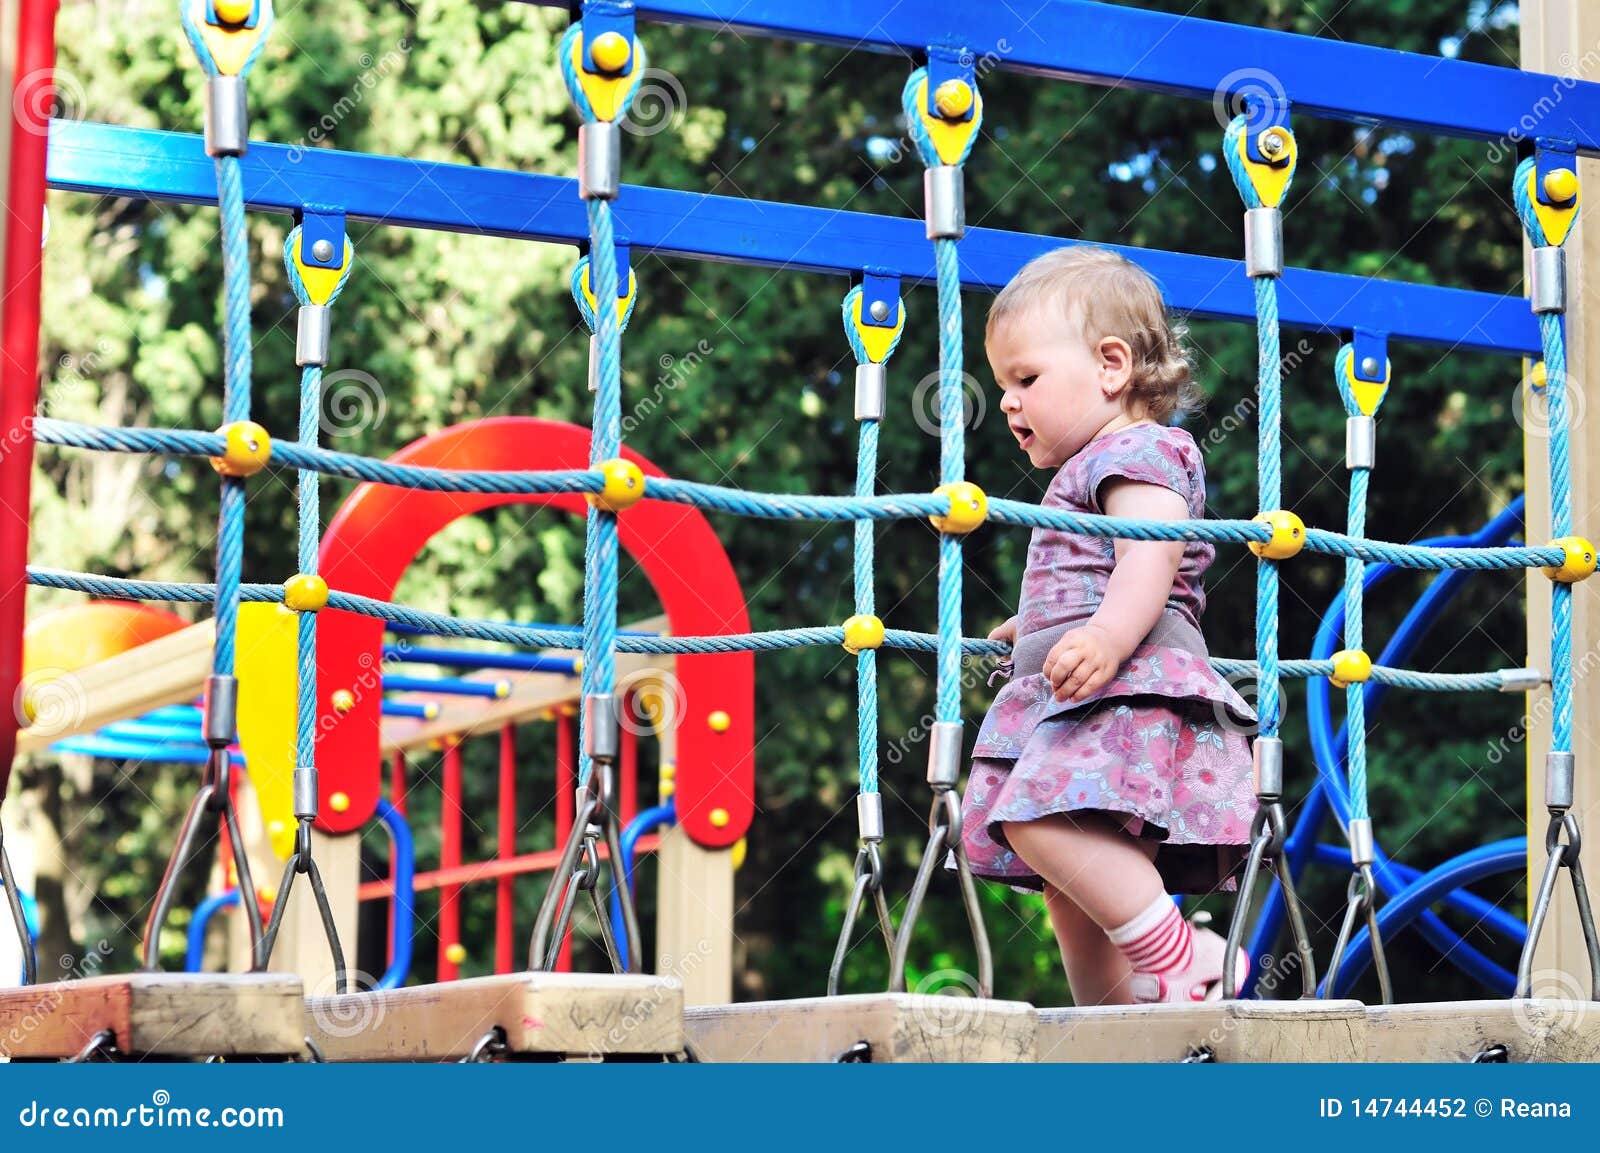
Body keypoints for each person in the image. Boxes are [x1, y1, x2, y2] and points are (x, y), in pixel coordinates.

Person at [963, 246, 1258, 1005]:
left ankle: (1180, 954)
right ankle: (1119, 1018)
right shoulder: (1096, 463)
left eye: (1025, 378)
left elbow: (1149, 557)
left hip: (1130, 690)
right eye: (1002, 385)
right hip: (1101, 696)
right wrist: (1037, 626)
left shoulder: (1142, 450)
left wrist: (1104, 637)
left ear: (1111, 365)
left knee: (1032, 821)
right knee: (1073, 883)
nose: (1007, 402)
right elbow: (1095, 571)